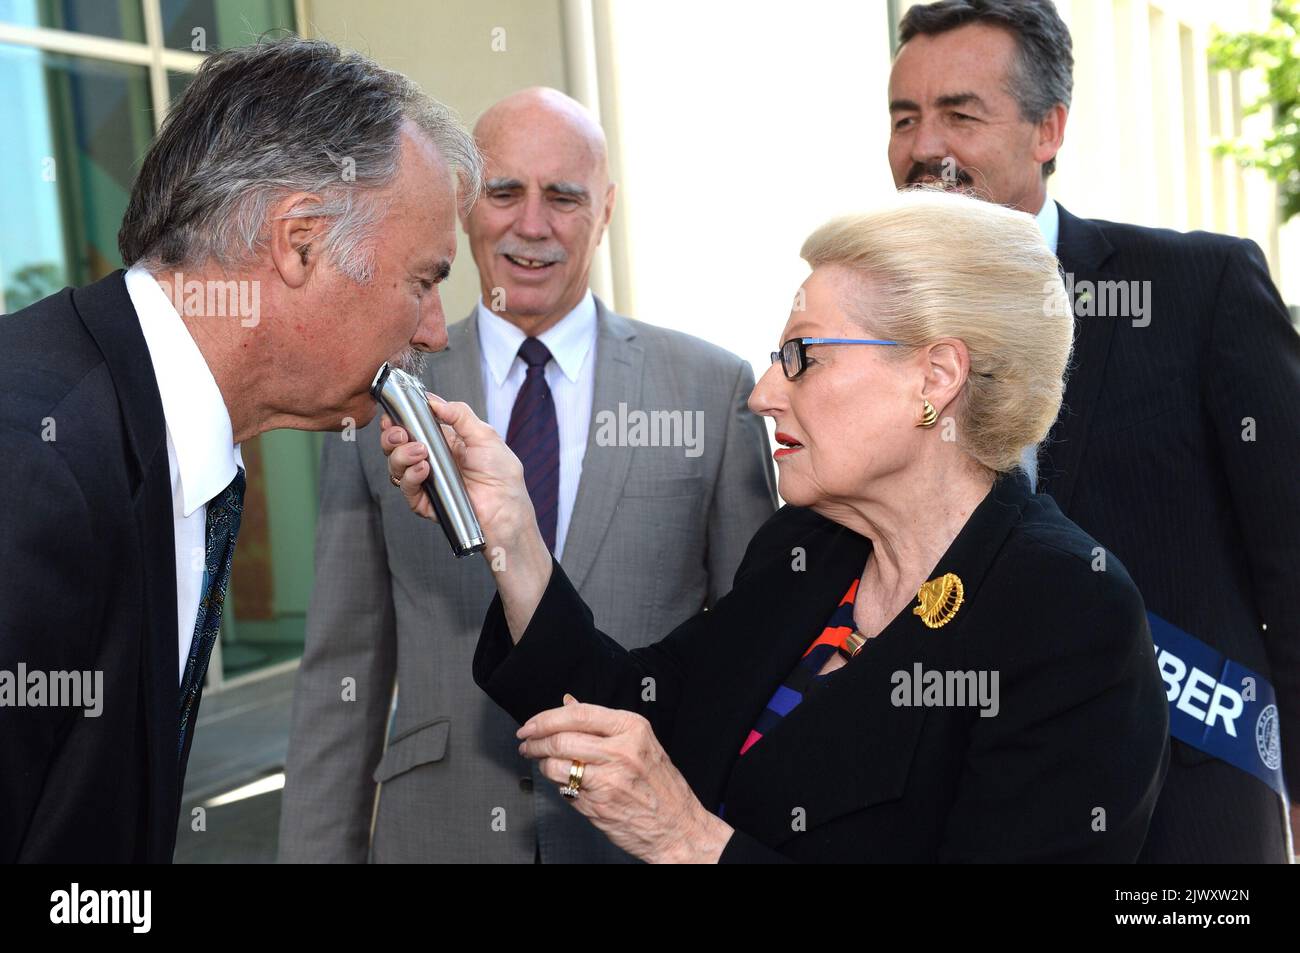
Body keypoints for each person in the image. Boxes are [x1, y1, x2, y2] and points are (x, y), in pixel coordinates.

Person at [382, 188, 1170, 862]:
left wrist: (692, 843)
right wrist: (513, 533)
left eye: (803, 356)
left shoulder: (1067, 613)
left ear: (934, 379)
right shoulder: (807, 550)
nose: (763, 392)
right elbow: (634, 706)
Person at [0, 37, 481, 863]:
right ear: (301, 243)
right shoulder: (32, 457)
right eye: (424, 279)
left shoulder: (153, 438)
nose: (436, 330)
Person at [278, 87, 777, 863]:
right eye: (505, 192)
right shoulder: (383, 387)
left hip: (634, 842)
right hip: (437, 837)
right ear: (464, 204)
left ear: (605, 210)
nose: (533, 225)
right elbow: (342, 666)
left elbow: (759, 646)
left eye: (564, 197)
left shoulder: (712, 390)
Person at [890, 0, 1299, 862]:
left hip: (1187, 821)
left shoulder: (1199, 288)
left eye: (960, 115)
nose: (926, 146)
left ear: (1049, 128)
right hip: (961, 816)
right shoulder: (871, 333)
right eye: (904, 118)